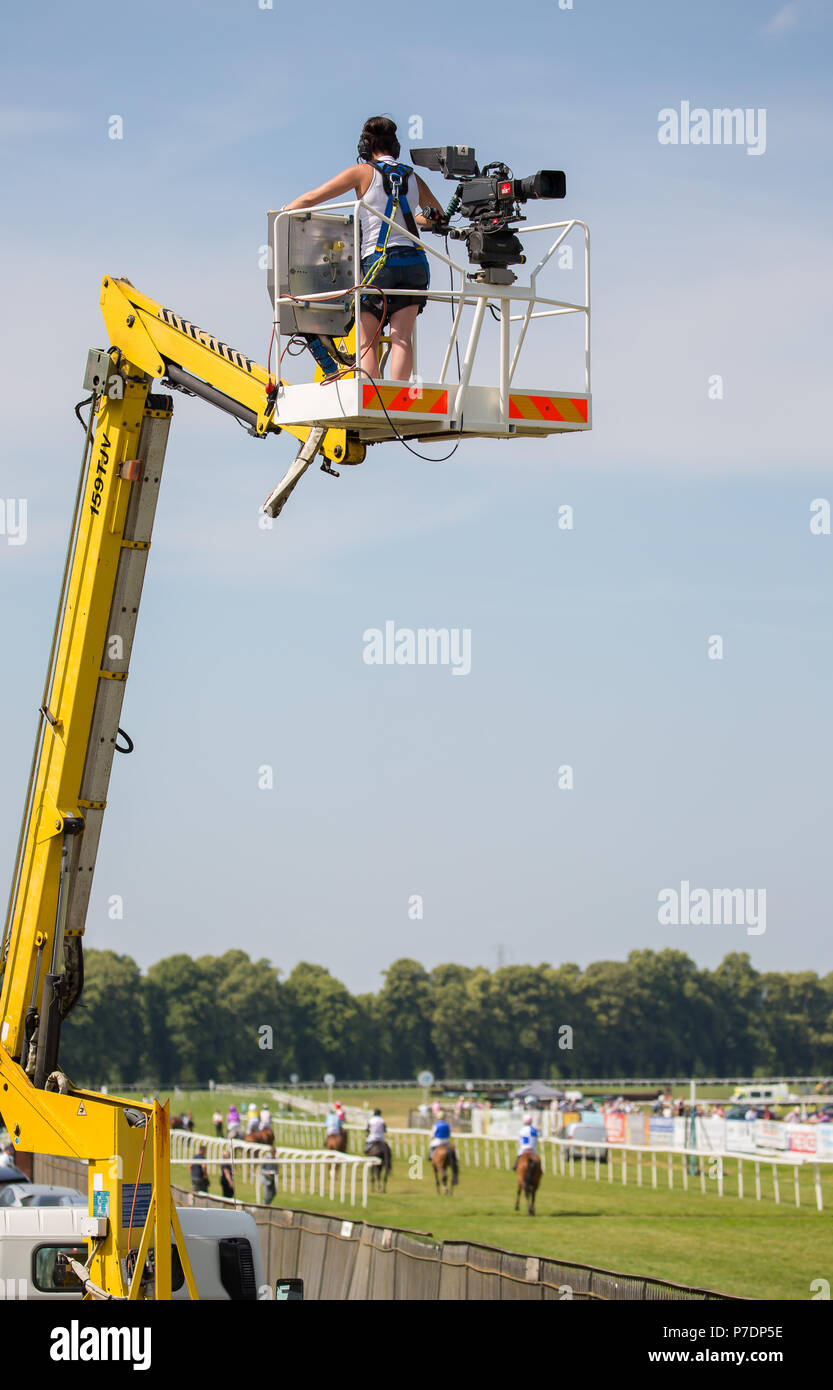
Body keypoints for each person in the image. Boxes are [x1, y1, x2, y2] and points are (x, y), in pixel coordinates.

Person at [281, 115, 446, 383]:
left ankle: (371, 397)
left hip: (380, 264)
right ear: (396, 147)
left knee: (367, 341)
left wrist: (283, 212)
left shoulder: (362, 172)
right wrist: (409, 217)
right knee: (401, 338)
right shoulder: (413, 176)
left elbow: (313, 197)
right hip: (415, 264)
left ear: (365, 148)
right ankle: (399, 397)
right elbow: (436, 214)